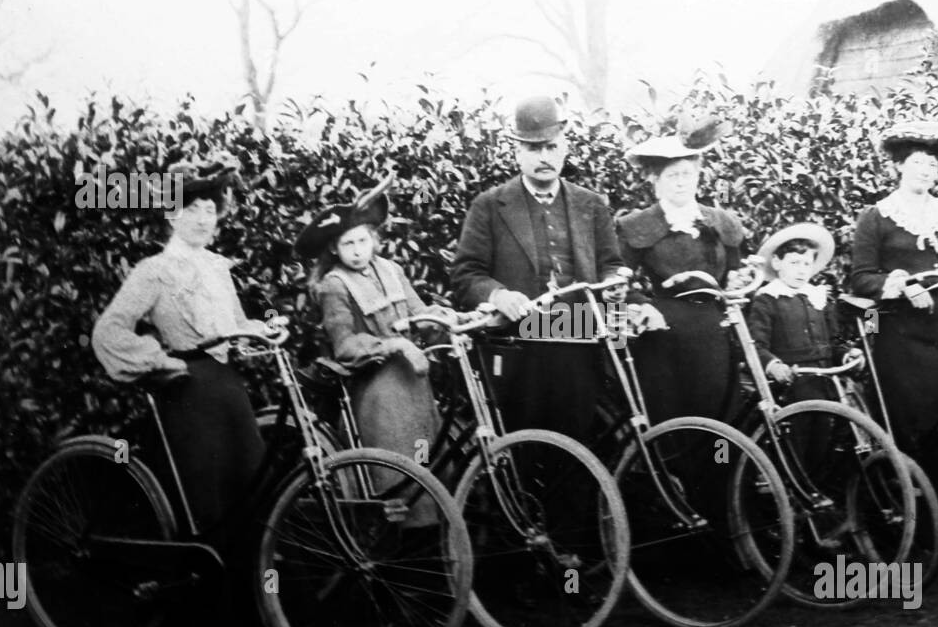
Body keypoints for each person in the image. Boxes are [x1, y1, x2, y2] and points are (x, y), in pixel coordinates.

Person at [91, 170, 277, 552]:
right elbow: (108, 331)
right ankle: (212, 599)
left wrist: (263, 330)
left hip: (229, 388)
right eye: (192, 209)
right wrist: (157, 359)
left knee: (254, 487)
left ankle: (258, 595)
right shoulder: (154, 271)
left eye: (210, 209)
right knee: (208, 502)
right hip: (188, 391)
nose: (204, 218)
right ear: (173, 215)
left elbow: (235, 327)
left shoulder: (217, 268)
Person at [450, 94, 625, 443]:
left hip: (580, 339)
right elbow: (465, 274)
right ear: (517, 153)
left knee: (580, 451)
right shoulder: (489, 206)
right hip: (519, 344)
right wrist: (498, 294)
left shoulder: (590, 204)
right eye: (533, 149)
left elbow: (612, 265)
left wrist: (615, 286)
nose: (544, 157)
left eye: (551, 146)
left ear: (564, 149)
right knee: (524, 448)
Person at [295, 175, 450, 526]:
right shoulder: (334, 285)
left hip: (415, 385)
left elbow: (418, 313)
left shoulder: (392, 270)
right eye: (347, 243)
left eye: (362, 240)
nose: (357, 250)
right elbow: (345, 345)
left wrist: (450, 318)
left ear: (373, 239)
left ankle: (438, 547)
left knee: (432, 470)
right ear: (334, 249)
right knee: (398, 479)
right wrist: (393, 344)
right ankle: (397, 552)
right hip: (378, 392)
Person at [849, 120, 938, 504]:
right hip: (904, 337)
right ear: (899, 166)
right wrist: (904, 285)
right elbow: (861, 279)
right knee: (917, 424)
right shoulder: (876, 216)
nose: (925, 170)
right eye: (918, 162)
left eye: (931, 165)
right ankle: (924, 523)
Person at [615, 115, 747, 424]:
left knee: (718, 414)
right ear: (656, 181)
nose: (681, 182)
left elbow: (736, 275)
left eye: (687, 174)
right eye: (672, 175)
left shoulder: (721, 221)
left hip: (715, 331)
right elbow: (617, 281)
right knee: (672, 414)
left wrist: (738, 283)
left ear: (699, 176)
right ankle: (670, 472)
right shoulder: (636, 225)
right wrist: (641, 307)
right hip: (664, 334)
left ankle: (722, 466)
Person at [747, 223, 847, 405]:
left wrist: (845, 354)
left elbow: (834, 341)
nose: (801, 270)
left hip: (826, 378)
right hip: (793, 382)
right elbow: (756, 346)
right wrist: (773, 366)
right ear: (777, 263)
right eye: (794, 263)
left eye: (807, 264)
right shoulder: (768, 299)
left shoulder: (818, 297)